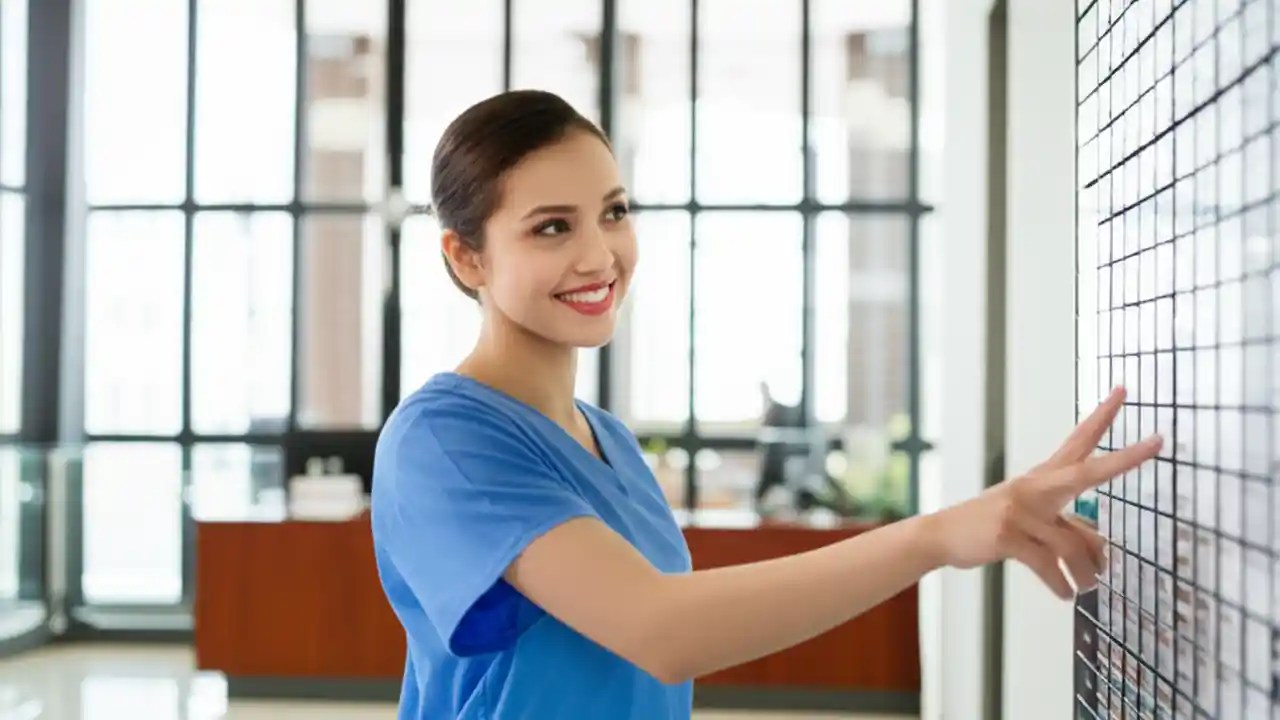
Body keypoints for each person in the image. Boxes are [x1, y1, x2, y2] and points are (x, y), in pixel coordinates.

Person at [369, 89, 1162, 720]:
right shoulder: (443, 440)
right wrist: (941, 536)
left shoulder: (605, 442)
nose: (598, 254)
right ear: (466, 256)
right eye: (551, 227)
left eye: (613, 211)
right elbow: (661, 629)